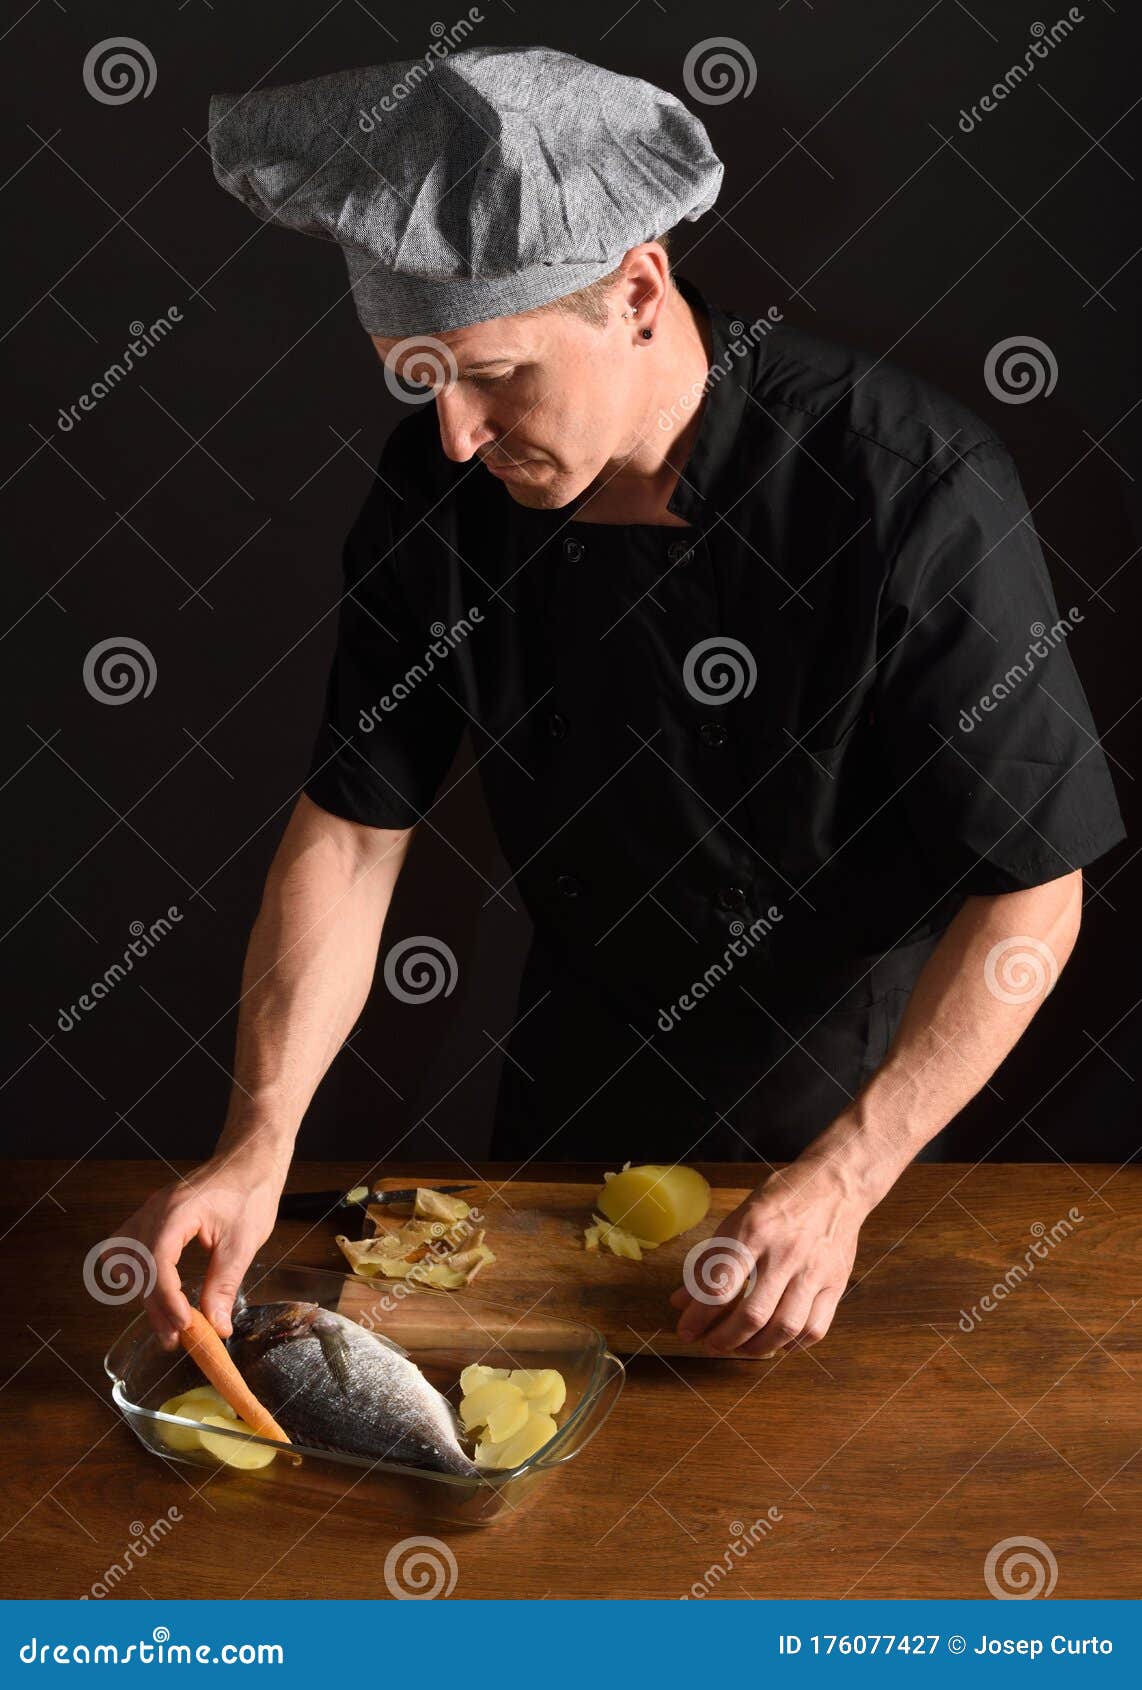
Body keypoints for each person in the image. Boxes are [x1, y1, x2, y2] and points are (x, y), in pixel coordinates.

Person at [120, 46, 1123, 1362]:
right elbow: (354, 832)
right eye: (421, 376)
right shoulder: (442, 498)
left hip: (847, 1130)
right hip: (561, 1101)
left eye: (494, 374)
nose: (457, 437)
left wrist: (847, 1176)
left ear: (637, 291)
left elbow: (1033, 885)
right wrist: (259, 1139)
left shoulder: (905, 484)